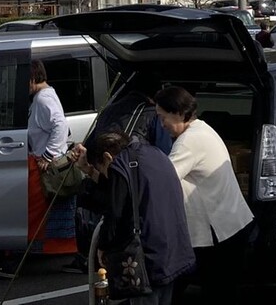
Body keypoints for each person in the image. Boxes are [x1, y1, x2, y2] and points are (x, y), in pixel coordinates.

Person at [152, 86, 254, 302]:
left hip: (220, 231)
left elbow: (163, 180)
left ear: (179, 113)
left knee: (214, 291)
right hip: (228, 226)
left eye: (163, 118)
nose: (162, 125)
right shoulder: (201, 129)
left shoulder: (189, 141)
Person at [0, 59, 79, 279]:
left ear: (31, 78)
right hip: (43, 163)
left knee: (31, 215)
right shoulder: (43, 97)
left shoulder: (44, 99)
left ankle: (16, 261)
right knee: (41, 215)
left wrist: (47, 155)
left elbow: (60, 125)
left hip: (44, 166)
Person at [79, 130, 195, 304]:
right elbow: (126, 191)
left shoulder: (119, 164)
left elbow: (115, 212)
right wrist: (89, 170)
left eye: (102, 170)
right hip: (174, 250)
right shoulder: (153, 154)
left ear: (107, 157)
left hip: (147, 257)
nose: (104, 174)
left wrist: (103, 247)